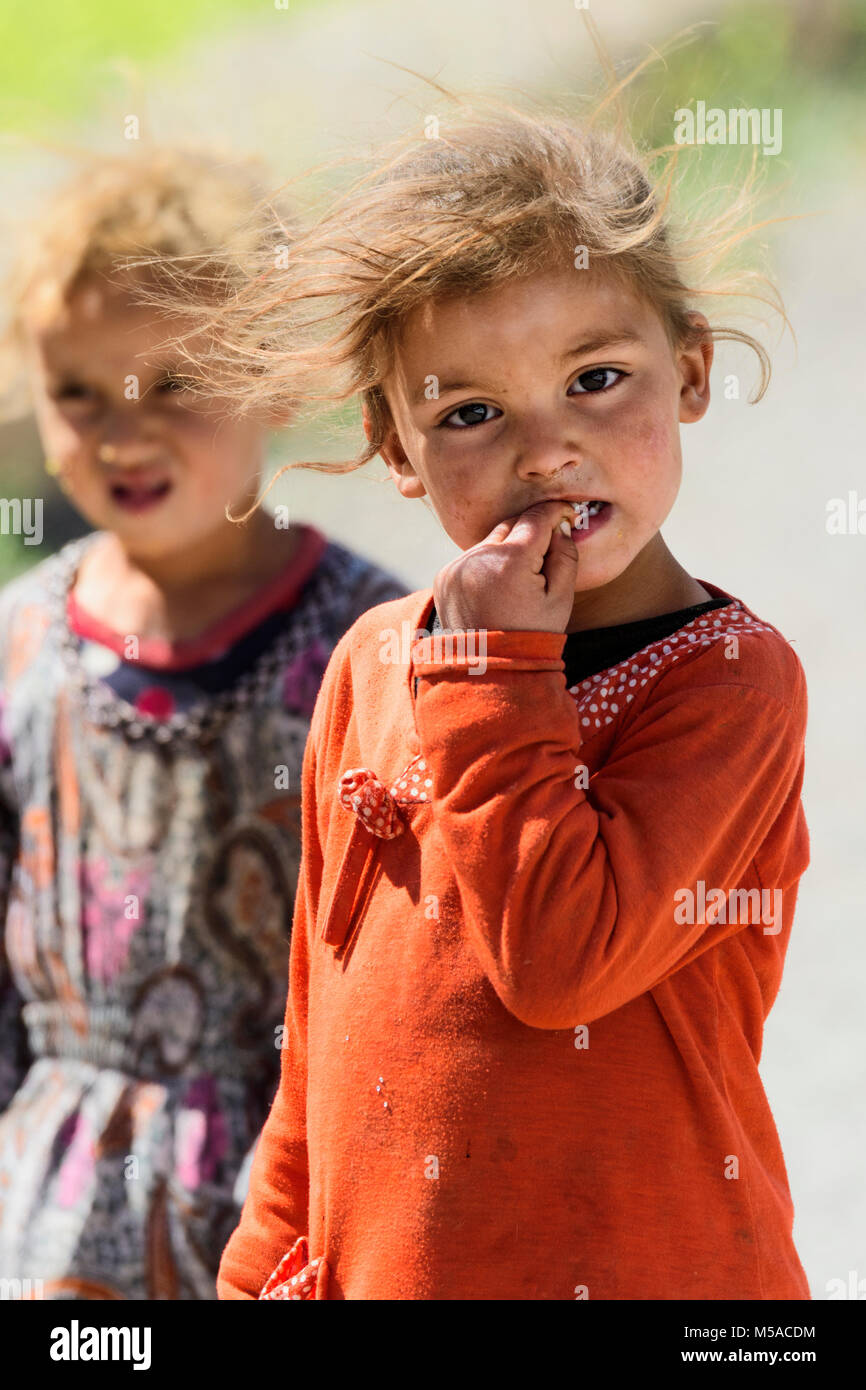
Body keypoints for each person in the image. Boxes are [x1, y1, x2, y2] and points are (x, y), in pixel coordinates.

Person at [159, 100, 810, 1300]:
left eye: (596, 378)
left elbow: (559, 960)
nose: (545, 450)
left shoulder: (728, 681)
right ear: (394, 448)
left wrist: (499, 675)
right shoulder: (367, 668)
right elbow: (321, 1026)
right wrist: (257, 1268)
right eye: (469, 413)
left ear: (692, 373)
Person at [0, 146, 407, 1300]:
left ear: (273, 379)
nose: (123, 432)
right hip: (51, 1221)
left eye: (175, 382)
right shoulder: (21, 646)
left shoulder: (368, 640)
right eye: (80, 392)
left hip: (293, 1192)